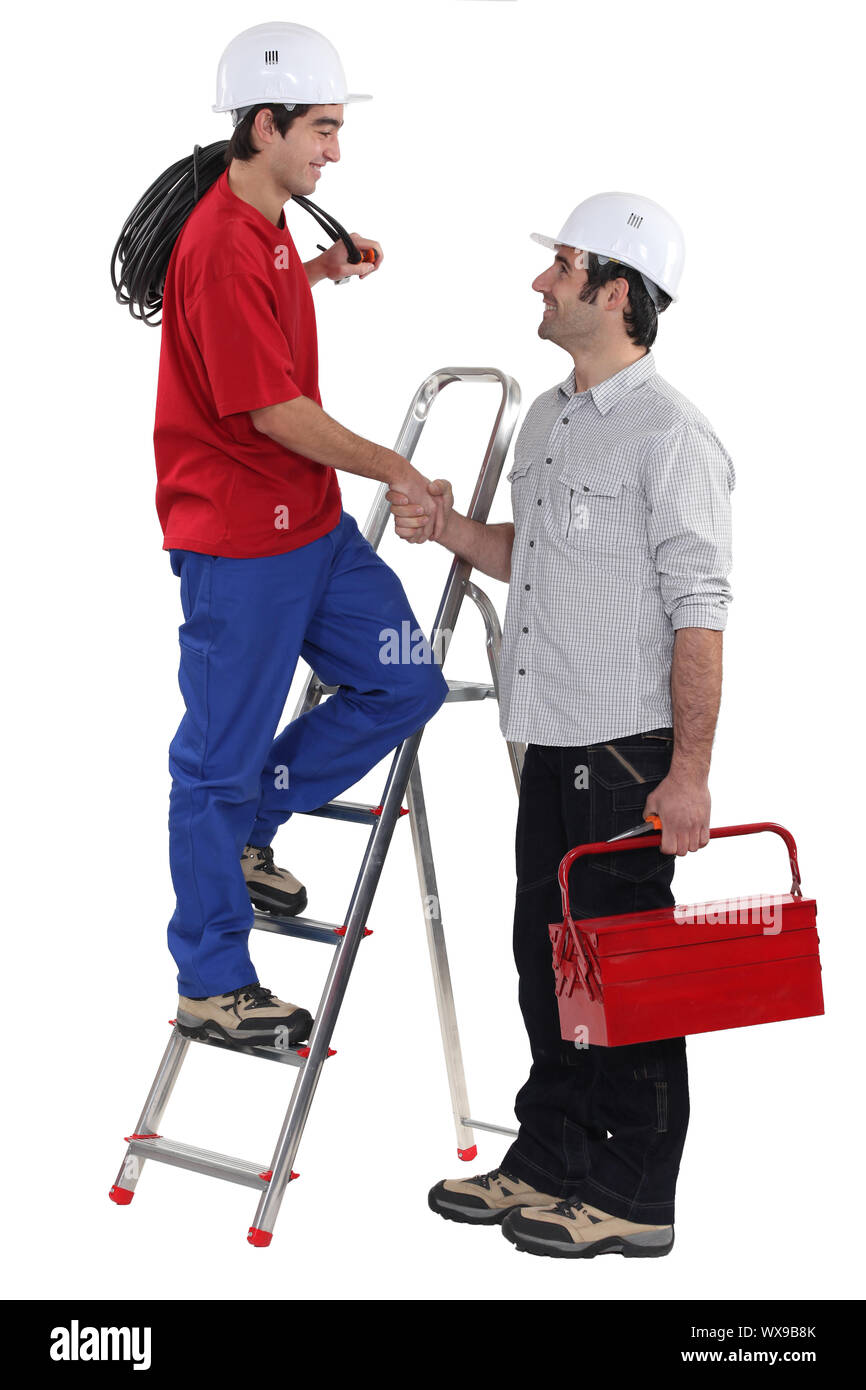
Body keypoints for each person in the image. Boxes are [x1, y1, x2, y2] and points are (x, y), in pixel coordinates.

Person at [388, 192, 734, 1258]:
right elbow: (525, 559)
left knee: (618, 975)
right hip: (543, 741)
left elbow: (700, 608)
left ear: (615, 291)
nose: (541, 281)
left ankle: (631, 1197)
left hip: (624, 751)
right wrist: (445, 528)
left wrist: (688, 774)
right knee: (545, 961)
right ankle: (547, 1161)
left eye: (563, 266)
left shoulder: (669, 434)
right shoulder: (547, 417)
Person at [153, 22, 448, 1049]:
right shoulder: (220, 245)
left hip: (309, 527)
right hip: (241, 544)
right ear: (265, 124)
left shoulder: (267, 224)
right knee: (214, 763)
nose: (334, 148)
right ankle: (212, 980)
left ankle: (247, 831)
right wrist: (400, 469)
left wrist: (320, 272)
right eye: (320, 128)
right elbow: (271, 408)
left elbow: (256, 317)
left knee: (408, 678)